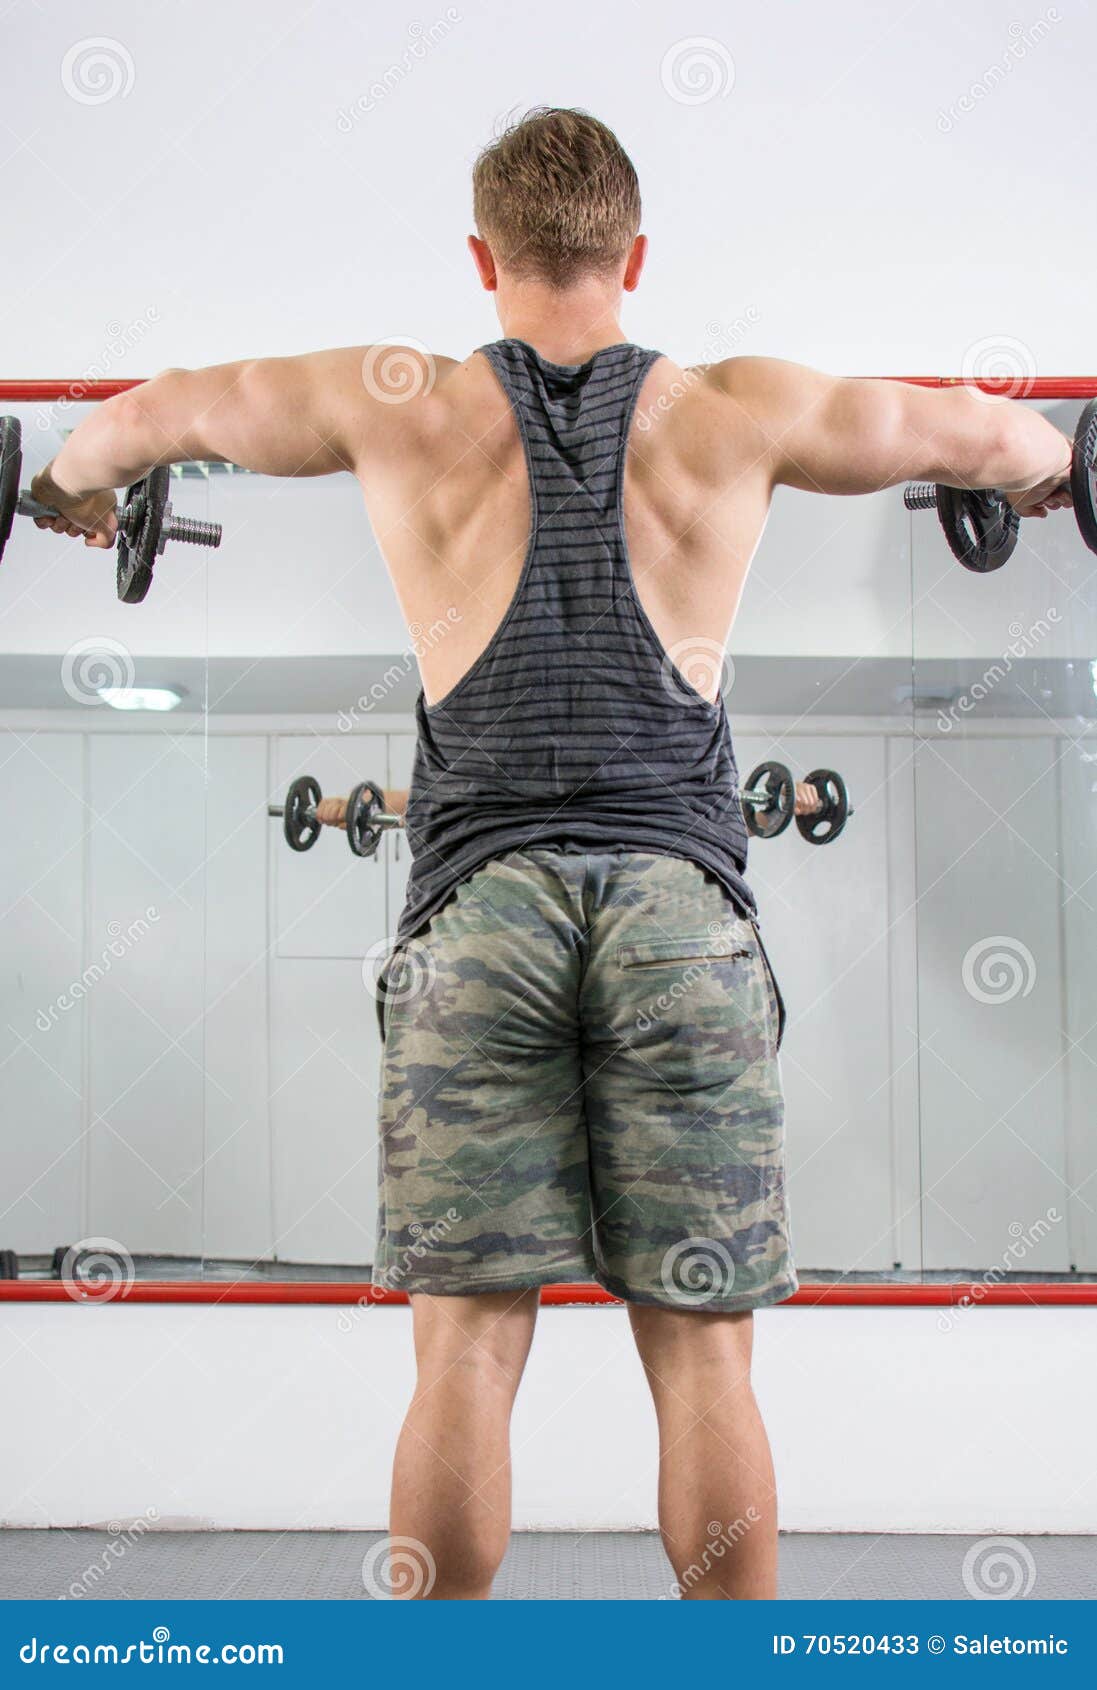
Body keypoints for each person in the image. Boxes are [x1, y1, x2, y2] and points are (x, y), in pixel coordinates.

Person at [32, 108, 1074, 1601]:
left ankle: (440, 1656)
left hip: (477, 917)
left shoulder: (393, 399)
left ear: (484, 258)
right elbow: (1000, 437)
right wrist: (1043, 476)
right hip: (679, 915)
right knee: (707, 1357)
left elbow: (159, 414)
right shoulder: (738, 406)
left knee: (462, 1345)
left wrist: (63, 491)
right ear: (633, 254)